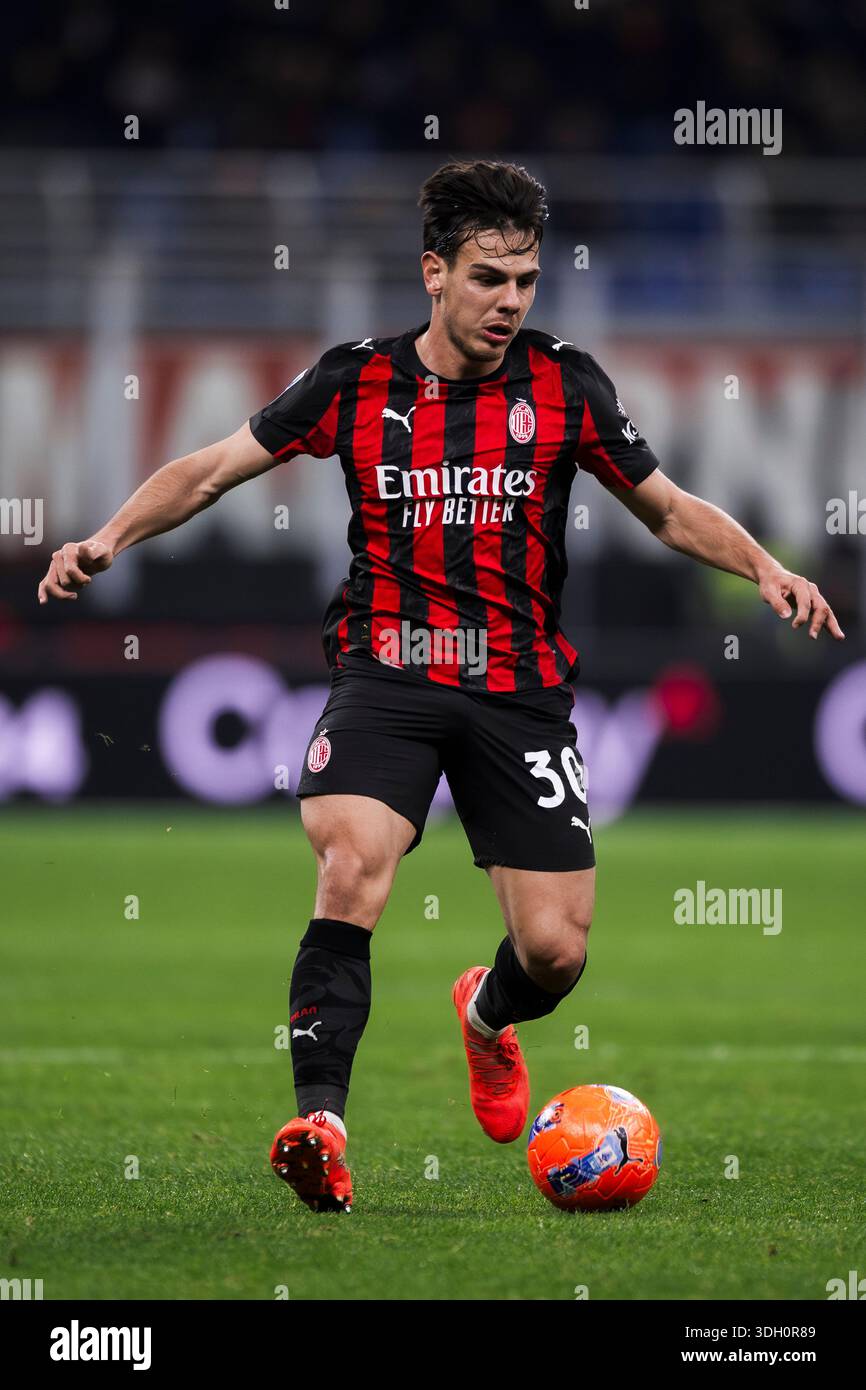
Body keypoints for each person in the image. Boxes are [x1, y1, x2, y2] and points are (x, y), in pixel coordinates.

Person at [38, 160, 844, 1214]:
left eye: (523, 280)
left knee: (553, 951)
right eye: (486, 278)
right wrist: (106, 537)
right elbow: (210, 468)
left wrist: (765, 569)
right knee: (349, 864)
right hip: (386, 673)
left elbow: (664, 505)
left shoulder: (564, 384)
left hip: (518, 692)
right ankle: (320, 1123)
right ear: (433, 272)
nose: (509, 301)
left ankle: (483, 1014)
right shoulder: (355, 380)